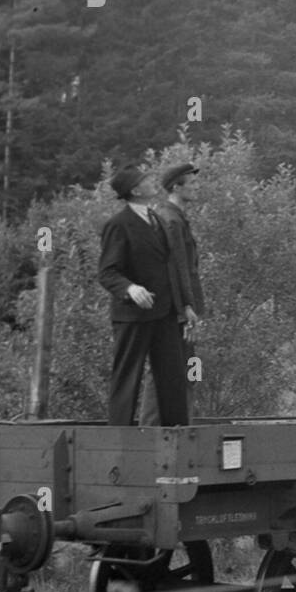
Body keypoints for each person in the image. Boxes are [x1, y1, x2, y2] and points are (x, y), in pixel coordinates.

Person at [98, 164, 190, 426]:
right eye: (146, 180)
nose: (153, 182)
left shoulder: (157, 218)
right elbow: (107, 272)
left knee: (172, 378)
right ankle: (119, 438)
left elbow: (171, 265)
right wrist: (130, 288)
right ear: (135, 190)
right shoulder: (118, 225)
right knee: (128, 378)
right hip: (133, 315)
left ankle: (177, 435)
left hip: (165, 313)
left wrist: (185, 305)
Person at [139, 162, 204, 427]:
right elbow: (175, 267)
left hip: (177, 308)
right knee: (168, 367)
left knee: (186, 366)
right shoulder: (170, 218)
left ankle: (177, 424)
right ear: (176, 187)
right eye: (191, 183)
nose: (196, 187)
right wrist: (186, 307)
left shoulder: (173, 216)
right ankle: (153, 428)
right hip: (175, 310)